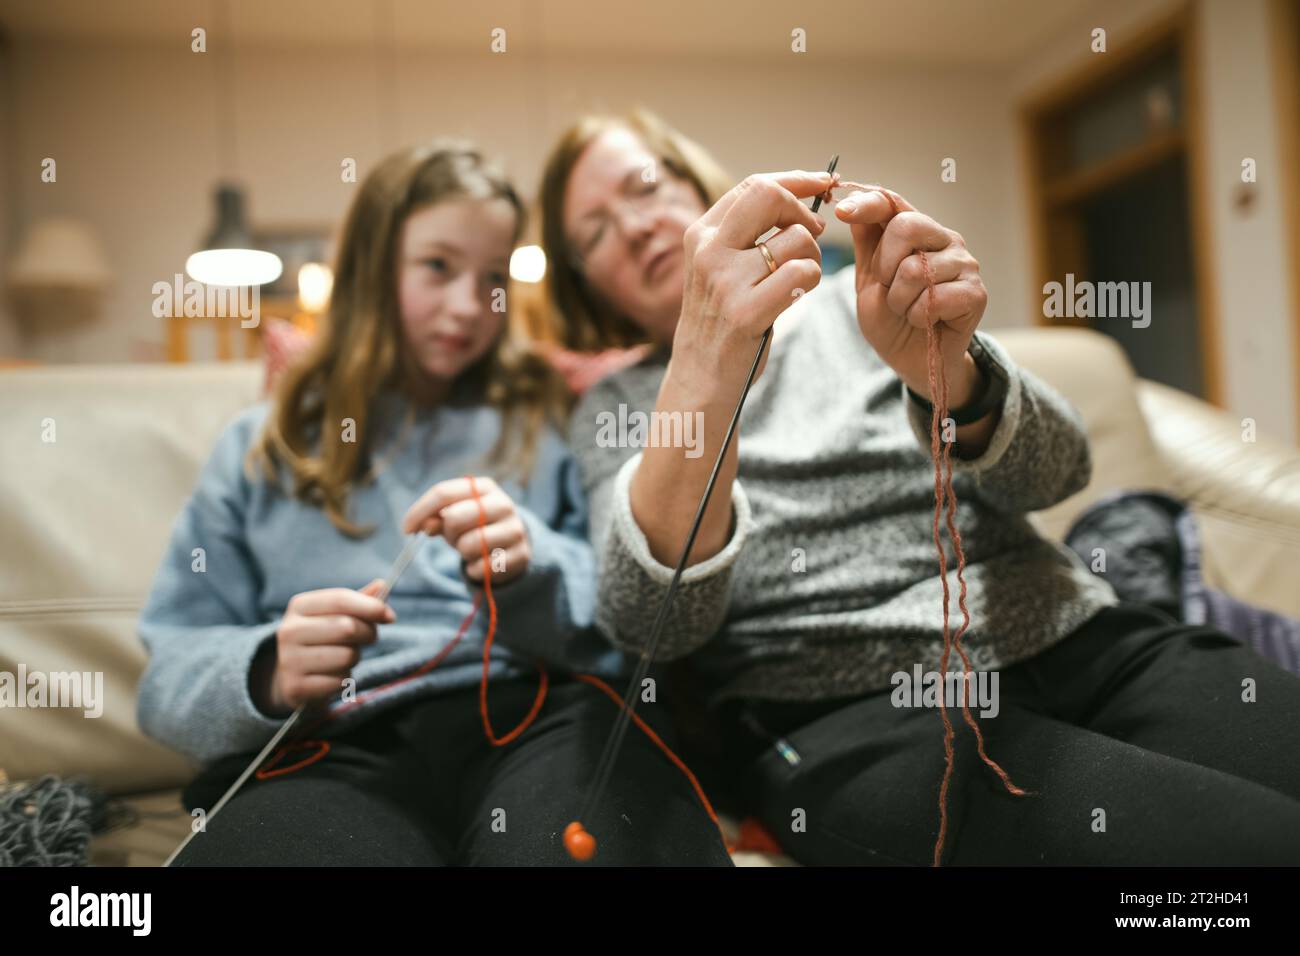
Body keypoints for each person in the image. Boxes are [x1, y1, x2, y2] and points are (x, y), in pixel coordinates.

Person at [538, 108, 1300, 865]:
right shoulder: (619, 408)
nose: (633, 228)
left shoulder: (855, 300)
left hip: (1080, 640)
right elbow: (652, 625)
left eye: (642, 186)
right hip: (852, 717)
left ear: (692, 181)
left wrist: (949, 374)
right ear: (586, 284)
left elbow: (1061, 471)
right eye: (595, 232)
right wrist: (701, 371)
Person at [137, 141, 732, 866]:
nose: (467, 306)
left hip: (540, 721)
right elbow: (166, 676)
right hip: (332, 745)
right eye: (437, 268)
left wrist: (531, 564)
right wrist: (265, 669)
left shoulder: (546, 419)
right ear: (371, 266)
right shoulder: (262, 444)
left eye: (492, 278)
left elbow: (620, 619)